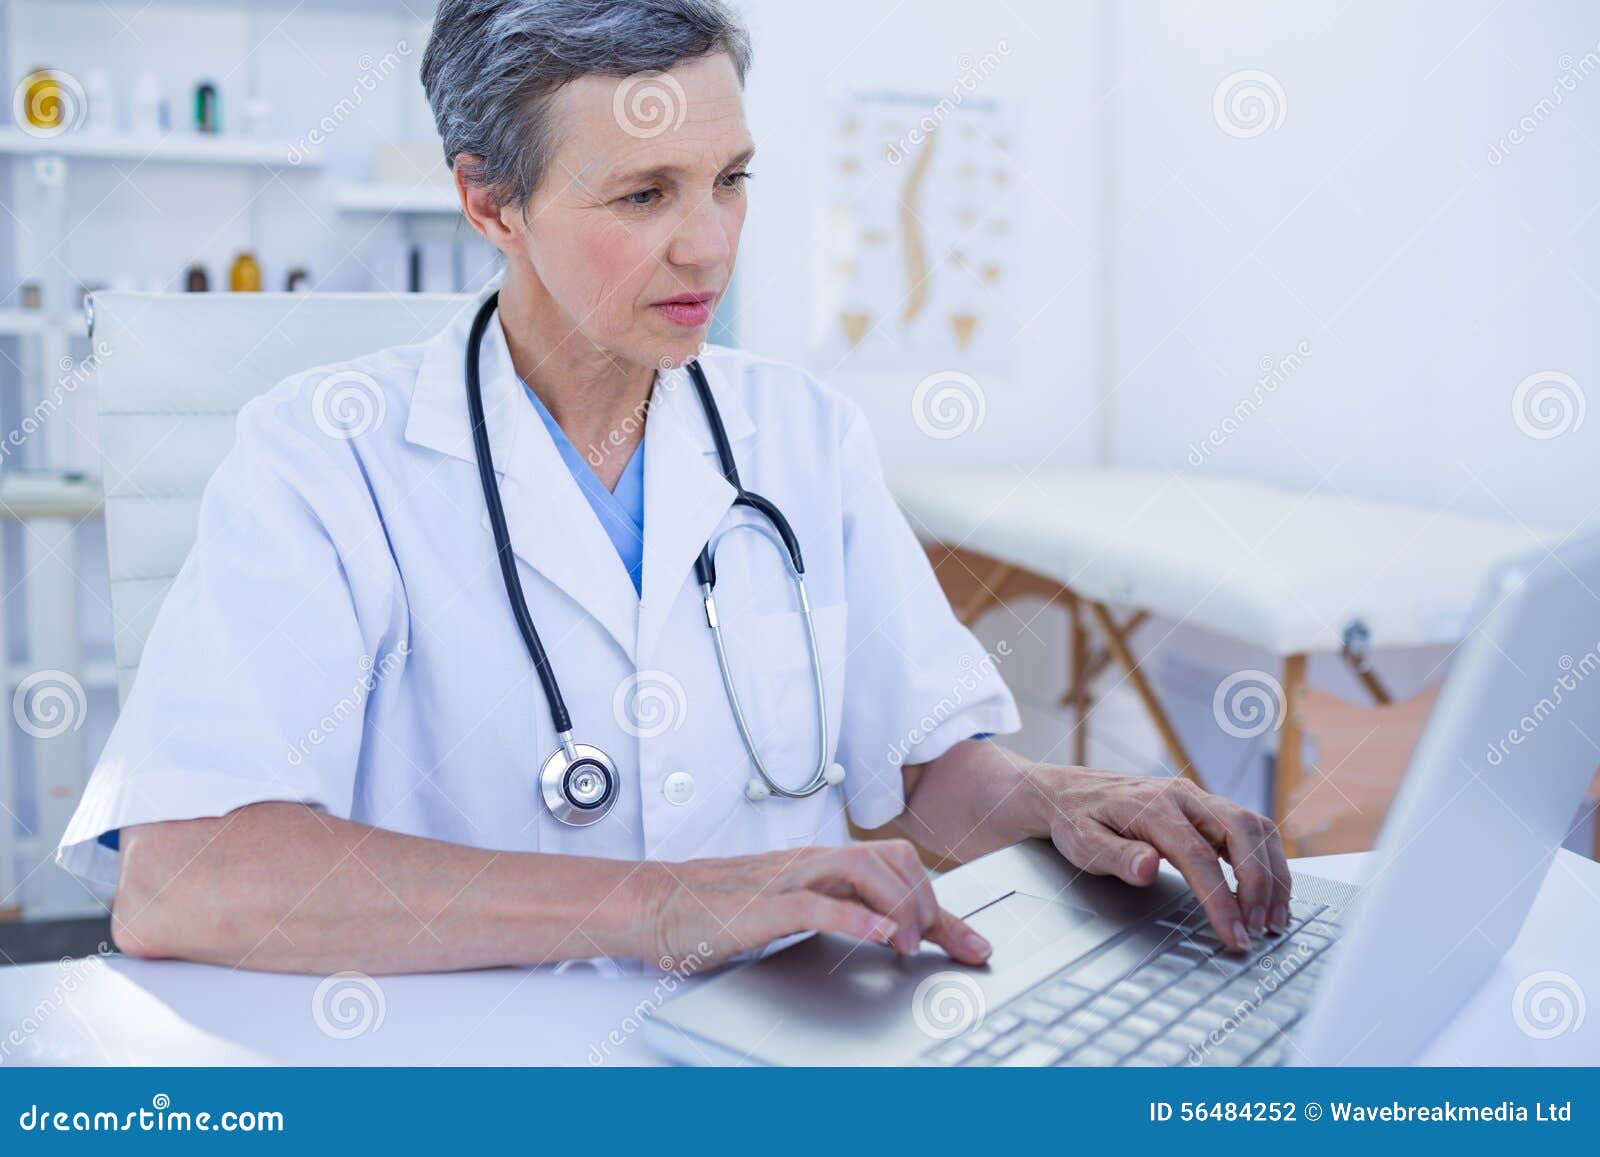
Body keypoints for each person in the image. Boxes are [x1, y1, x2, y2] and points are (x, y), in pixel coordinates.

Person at [57, 0, 1290, 975]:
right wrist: (654, 903)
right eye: (643, 194)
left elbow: (922, 771)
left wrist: (1057, 798)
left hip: (768, 1050)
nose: (707, 244)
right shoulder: (324, 458)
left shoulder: (799, 435)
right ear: (489, 199)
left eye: (731, 178)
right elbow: (186, 879)